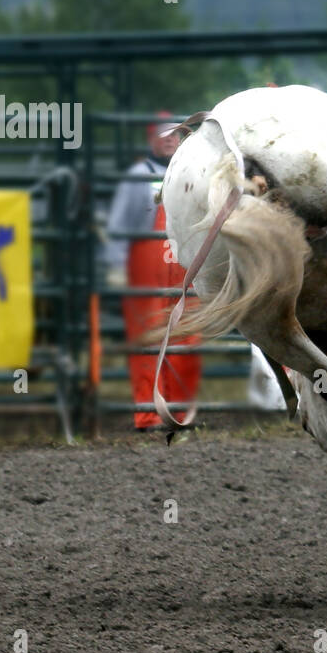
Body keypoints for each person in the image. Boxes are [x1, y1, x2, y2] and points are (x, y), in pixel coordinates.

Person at [103, 114, 201, 431]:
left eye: (175, 134)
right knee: (147, 342)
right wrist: (116, 268)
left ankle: (180, 414)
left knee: (186, 340)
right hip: (146, 273)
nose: (169, 139)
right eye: (162, 134)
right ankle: (147, 415)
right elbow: (117, 228)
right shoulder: (136, 177)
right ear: (151, 139)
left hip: (184, 268)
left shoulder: (194, 174)